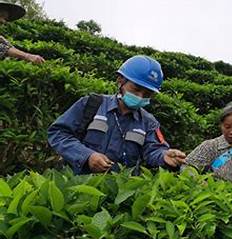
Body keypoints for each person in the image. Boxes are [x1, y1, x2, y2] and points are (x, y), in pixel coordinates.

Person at [47, 55, 186, 174]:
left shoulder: (149, 122)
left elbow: (153, 151)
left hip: (118, 196)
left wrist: (164, 156)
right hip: (77, 187)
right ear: (120, 80)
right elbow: (59, 133)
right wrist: (87, 156)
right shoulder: (92, 104)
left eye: (147, 94)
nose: (140, 96)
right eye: (136, 89)